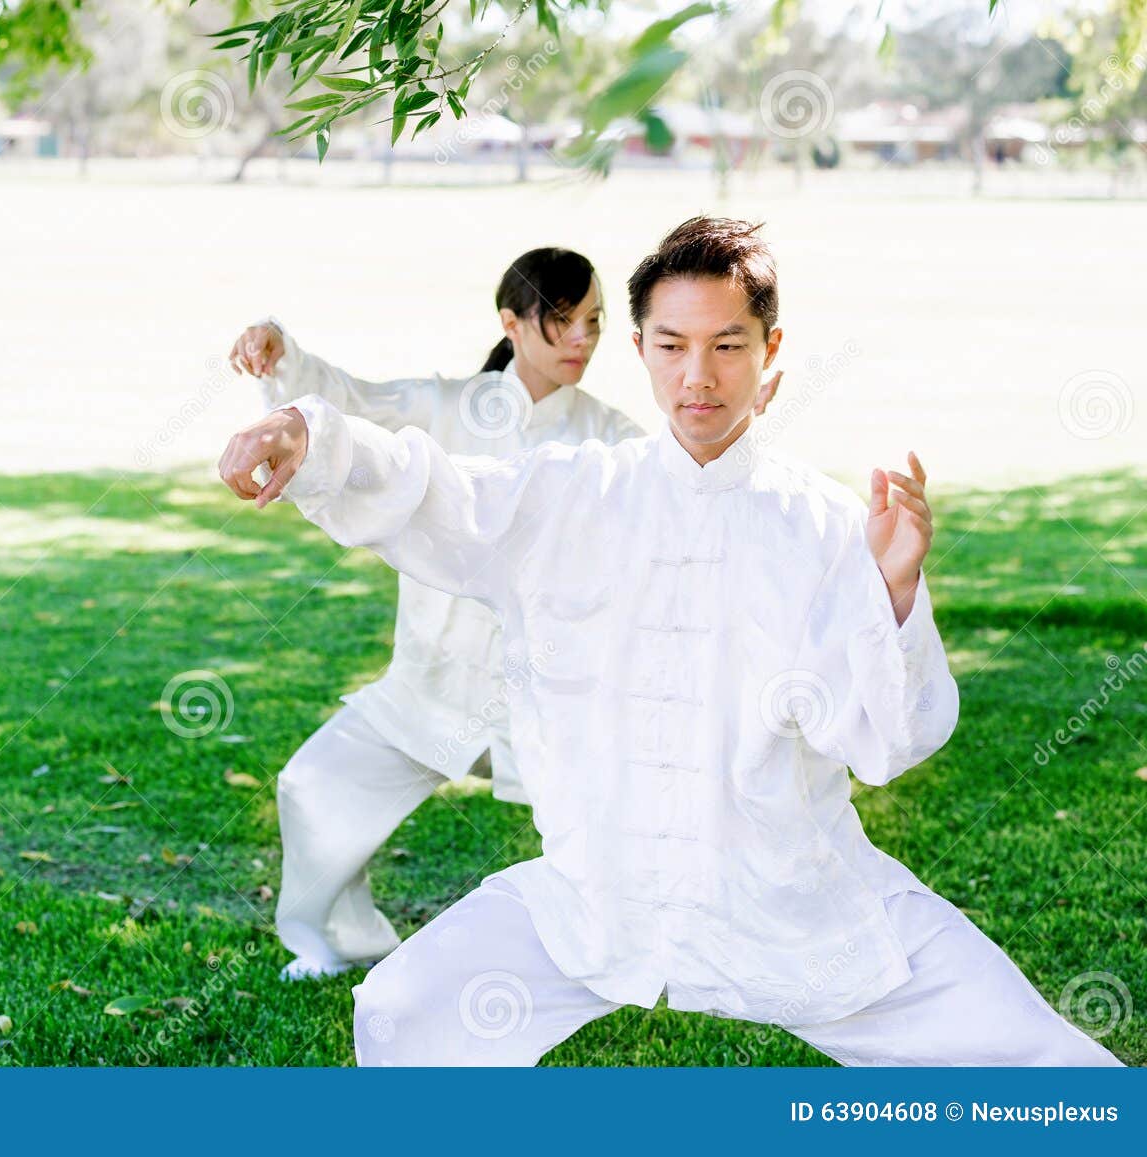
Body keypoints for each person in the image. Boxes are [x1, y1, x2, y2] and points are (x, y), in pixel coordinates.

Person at [216, 216, 1123, 1066]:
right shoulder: (574, 494)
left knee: (1033, 1062)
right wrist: (313, 437)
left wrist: (890, 589)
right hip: (597, 898)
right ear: (644, 352)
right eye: (672, 345)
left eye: (728, 345)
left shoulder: (826, 526)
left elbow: (887, 744)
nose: (700, 376)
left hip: (790, 901)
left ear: (770, 357)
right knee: (404, 1011)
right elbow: (441, 491)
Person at [229, 249, 707, 983]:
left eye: (594, 322)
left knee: (629, 818)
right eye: (562, 321)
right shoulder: (444, 406)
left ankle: (653, 952)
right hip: (436, 683)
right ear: (511, 324)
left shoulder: (611, 437)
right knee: (314, 785)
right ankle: (339, 941)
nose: (581, 338)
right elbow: (348, 405)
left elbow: (669, 517)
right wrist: (281, 356)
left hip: (554, 694)